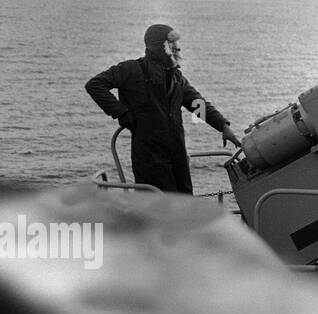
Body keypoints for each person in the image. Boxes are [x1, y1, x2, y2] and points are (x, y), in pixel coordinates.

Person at [85, 24, 242, 194]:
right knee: (159, 206)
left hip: (177, 152)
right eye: (171, 43)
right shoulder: (131, 69)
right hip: (149, 155)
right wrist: (121, 112)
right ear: (158, 46)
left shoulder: (176, 77)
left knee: (184, 200)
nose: (177, 47)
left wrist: (223, 126)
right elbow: (95, 85)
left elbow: (197, 103)